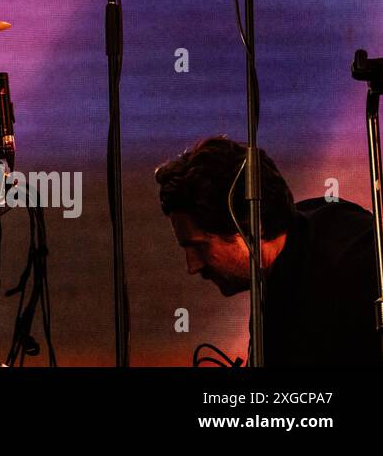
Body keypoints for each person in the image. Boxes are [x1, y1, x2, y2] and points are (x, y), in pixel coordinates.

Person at [155, 136, 381, 367]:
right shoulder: (279, 276)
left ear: (253, 227)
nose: (193, 266)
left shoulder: (355, 263)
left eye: (199, 246)